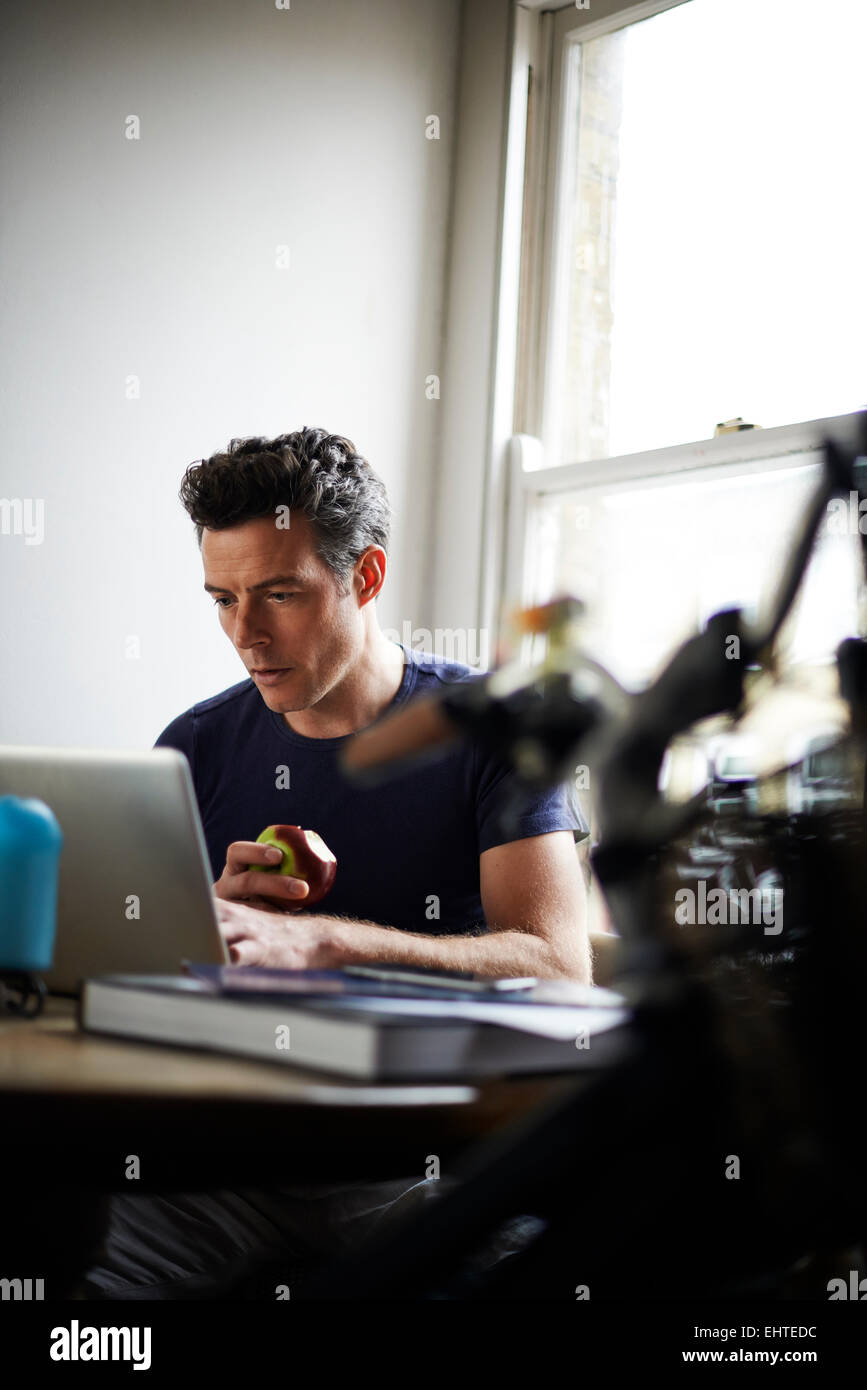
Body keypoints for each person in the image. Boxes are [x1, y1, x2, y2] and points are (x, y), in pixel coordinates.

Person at [78, 426, 590, 1299]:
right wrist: (201, 921)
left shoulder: (487, 734)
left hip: (417, 1162)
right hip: (225, 1166)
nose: (247, 634)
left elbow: (557, 967)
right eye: (222, 599)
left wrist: (323, 943)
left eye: (279, 594)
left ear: (366, 576)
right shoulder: (194, 746)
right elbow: (120, 983)